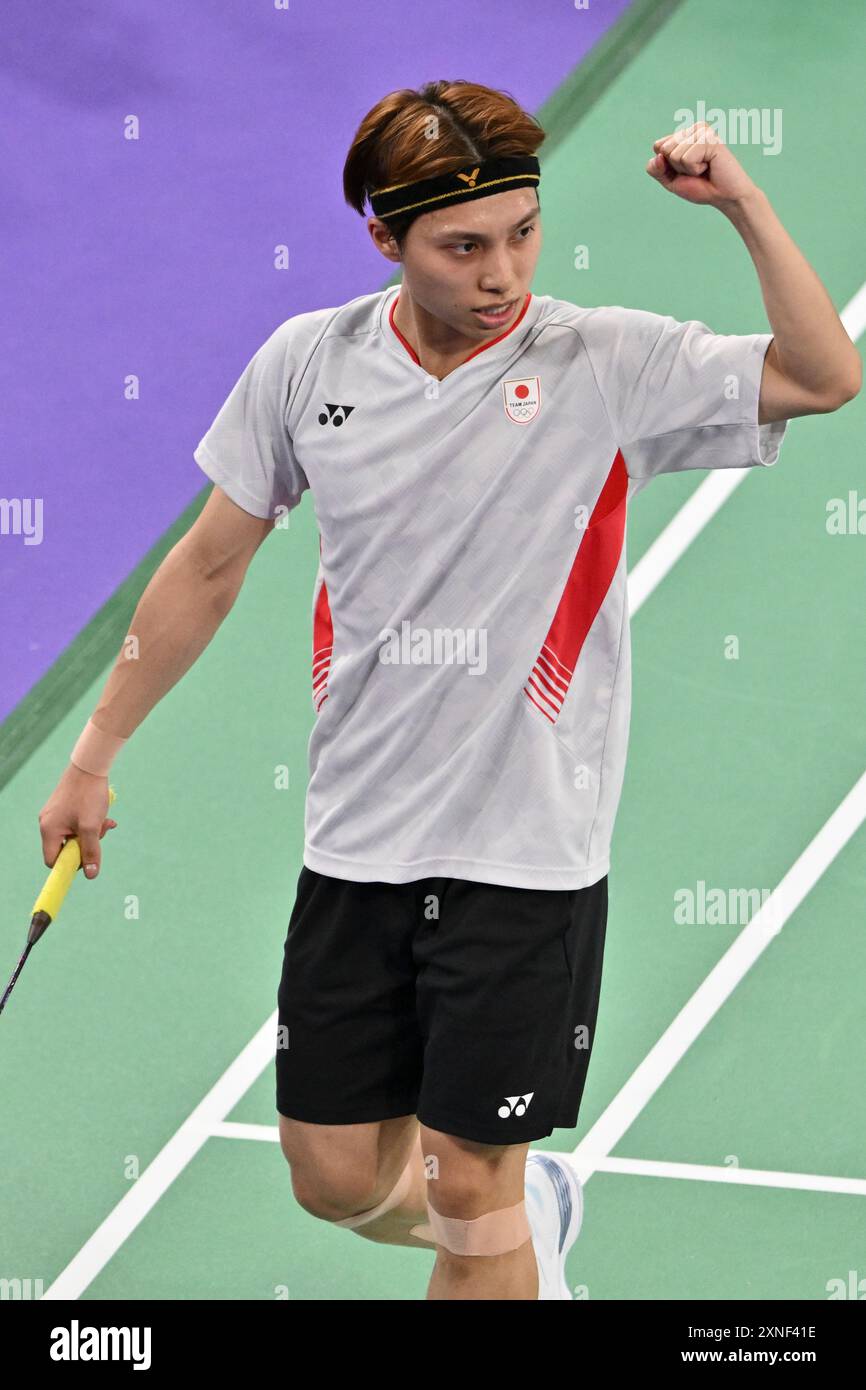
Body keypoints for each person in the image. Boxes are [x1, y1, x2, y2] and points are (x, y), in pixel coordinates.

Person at [38, 79, 860, 1301]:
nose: (501, 272)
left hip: (526, 848)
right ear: (384, 239)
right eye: (462, 246)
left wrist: (738, 203)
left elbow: (821, 374)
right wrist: (93, 752)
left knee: (469, 1192)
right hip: (359, 831)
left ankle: (507, 1218)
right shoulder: (308, 364)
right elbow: (209, 563)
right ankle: (538, 1210)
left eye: (522, 234)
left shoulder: (598, 361)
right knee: (332, 1173)